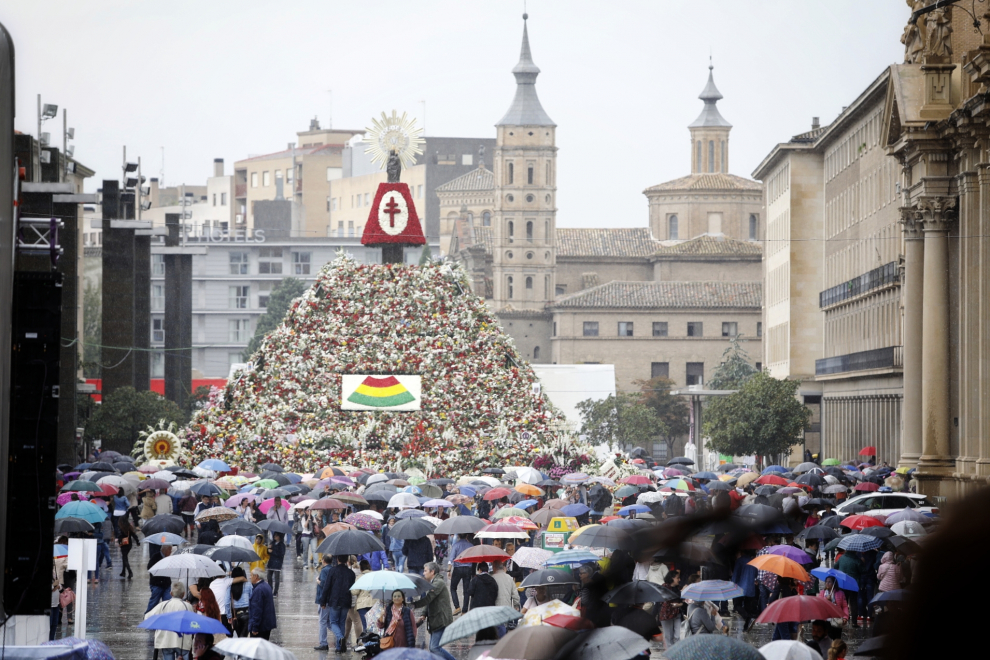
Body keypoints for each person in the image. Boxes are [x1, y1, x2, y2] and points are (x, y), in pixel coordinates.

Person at [413, 562, 456, 660]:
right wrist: (423, 614)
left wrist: (413, 605)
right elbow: (430, 601)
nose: (423, 573)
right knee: (433, 648)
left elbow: (428, 599)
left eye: (425, 571)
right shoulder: (433, 582)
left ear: (432, 572)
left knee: (434, 647)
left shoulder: (438, 583)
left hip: (440, 619)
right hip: (435, 619)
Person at [145, 582, 195, 660]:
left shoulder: (163, 605)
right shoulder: (187, 606)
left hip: (166, 641)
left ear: (171, 593)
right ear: (183, 594)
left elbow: (147, 618)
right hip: (183, 643)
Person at [320, 555, 356, 654]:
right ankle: (339, 647)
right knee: (341, 622)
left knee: (333, 622)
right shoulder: (351, 573)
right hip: (346, 601)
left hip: (335, 600)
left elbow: (327, 586)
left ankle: (340, 638)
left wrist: (323, 601)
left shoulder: (333, 570)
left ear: (338, 559)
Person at [447, 533, 475, 614]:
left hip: (458, 569)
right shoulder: (471, 546)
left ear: (458, 536)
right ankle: (464, 610)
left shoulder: (456, 545)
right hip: (468, 569)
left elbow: (451, 559)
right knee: (466, 590)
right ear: (467, 535)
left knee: (453, 588)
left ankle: (457, 607)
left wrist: (449, 570)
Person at [247, 569, 276, 640]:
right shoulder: (266, 586)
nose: (250, 577)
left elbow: (257, 610)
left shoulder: (258, 590)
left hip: (261, 627)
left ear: (256, 576)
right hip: (266, 625)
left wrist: (255, 627)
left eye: (251, 575)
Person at [657, 571, 683, 650]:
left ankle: (677, 652)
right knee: (669, 636)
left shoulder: (679, 588)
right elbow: (662, 601)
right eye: (677, 578)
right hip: (666, 614)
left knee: (678, 636)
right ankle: (670, 653)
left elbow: (683, 601)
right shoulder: (664, 588)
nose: (679, 580)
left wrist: (680, 604)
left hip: (677, 613)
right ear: (672, 578)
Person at [314, 556, 334, 651]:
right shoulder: (332, 569)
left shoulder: (325, 570)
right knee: (329, 622)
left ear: (324, 561)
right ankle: (340, 636)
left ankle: (323, 643)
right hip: (329, 599)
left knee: (322, 621)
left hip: (324, 599)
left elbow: (325, 585)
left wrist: (318, 581)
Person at [146, 544, 173, 612]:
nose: (171, 552)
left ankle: (167, 616)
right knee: (154, 603)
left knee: (167, 603)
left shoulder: (168, 558)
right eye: (170, 550)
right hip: (157, 584)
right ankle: (148, 615)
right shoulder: (156, 556)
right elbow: (149, 568)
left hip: (166, 584)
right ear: (165, 550)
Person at [229, 567, 253, 637]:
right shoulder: (248, 584)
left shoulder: (230, 586)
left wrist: (229, 616)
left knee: (240, 635)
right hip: (247, 612)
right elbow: (252, 599)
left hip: (236, 613)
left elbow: (227, 602)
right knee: (244, 636)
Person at [354, 560, 375, 628]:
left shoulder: (359, 577)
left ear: (360, 568)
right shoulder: (375, 575)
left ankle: (366, 634)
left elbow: (355, 591)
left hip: (362, 604)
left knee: (365, 625)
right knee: (373, 625)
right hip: (373, 602)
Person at [266, 532, 285, 597]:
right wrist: (268, 549)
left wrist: (273, 551)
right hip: (271, 562)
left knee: (277, 578)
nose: (275, 537)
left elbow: (281, 554)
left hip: (277, 563)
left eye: (276, 536)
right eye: (275, 535)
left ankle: (275, 592)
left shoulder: (282, 545)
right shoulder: (272, 543)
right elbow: (268, 552)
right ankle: (270, 589)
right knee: (269, 577)